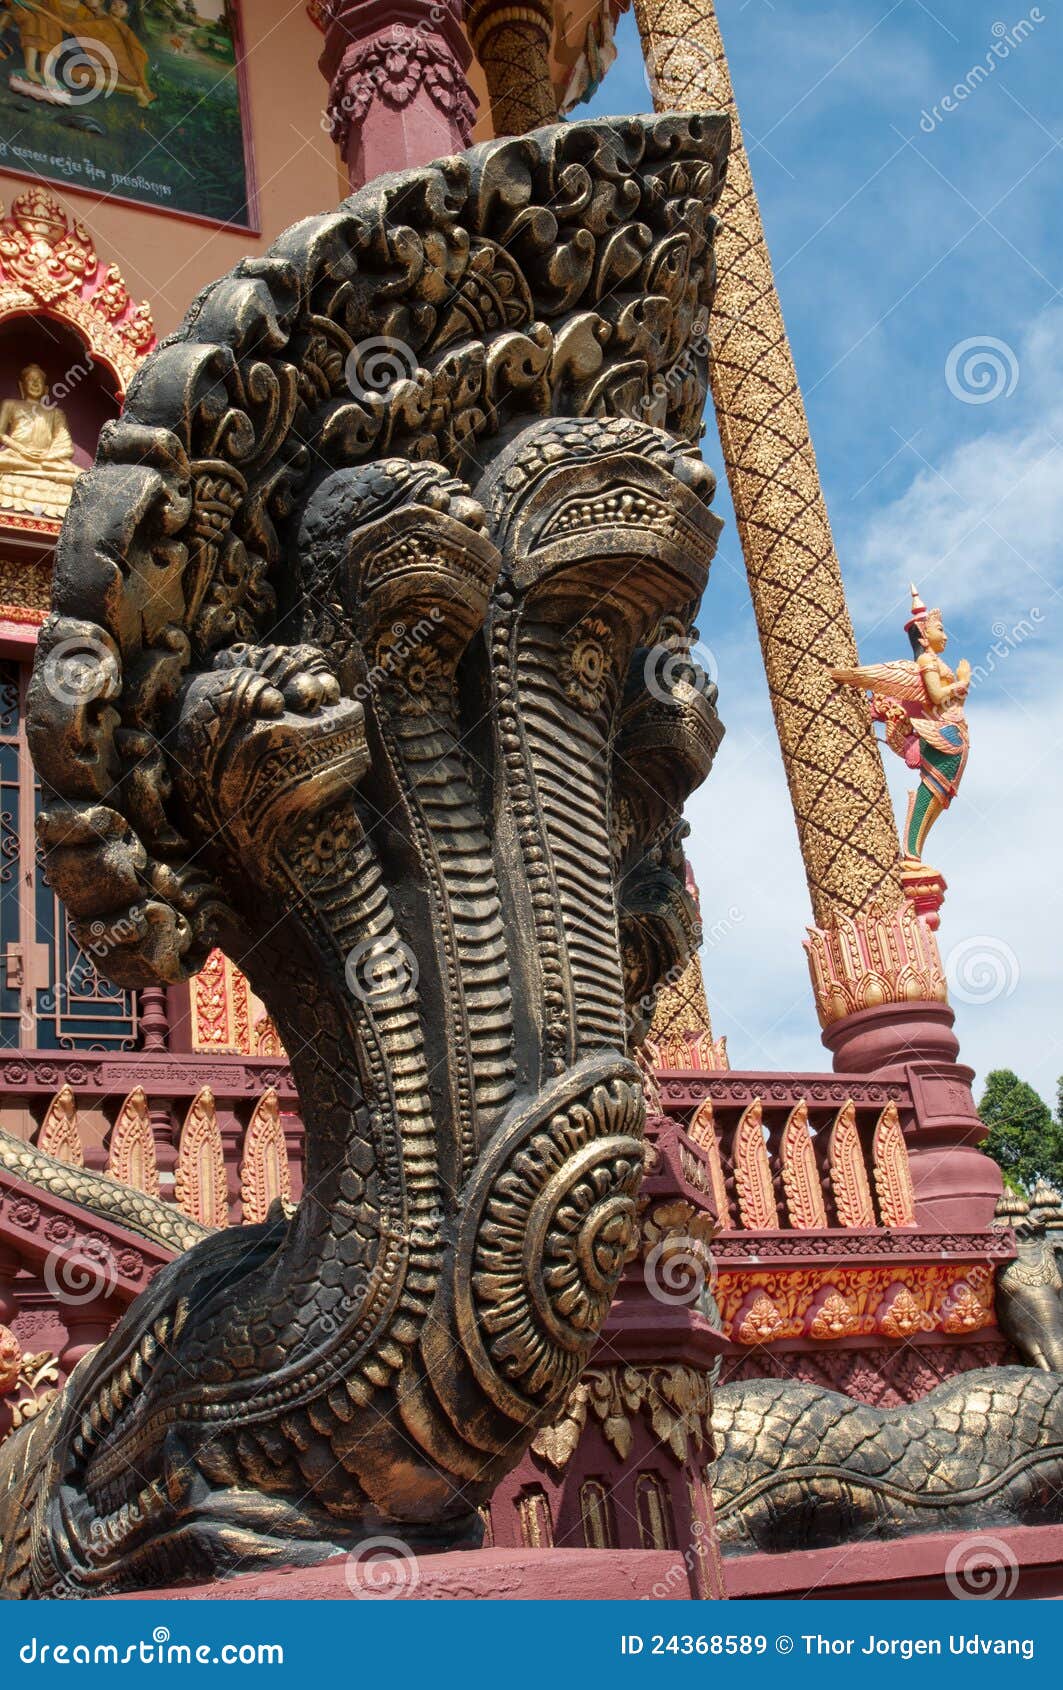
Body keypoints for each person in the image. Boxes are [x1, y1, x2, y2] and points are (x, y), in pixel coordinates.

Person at [0, 363, 83, 518]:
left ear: (46, 389)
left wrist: (47, 457)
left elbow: (65, 445)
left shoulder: (56, 413)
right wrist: (21, 449)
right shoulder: (11, 404)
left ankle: (34, 472)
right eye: (30, 379)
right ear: (21, 385)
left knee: (83, 478)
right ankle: (37, 473)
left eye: (39, 380)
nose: (35, 383)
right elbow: (1, 434)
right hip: (17, 456)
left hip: (47, 461)